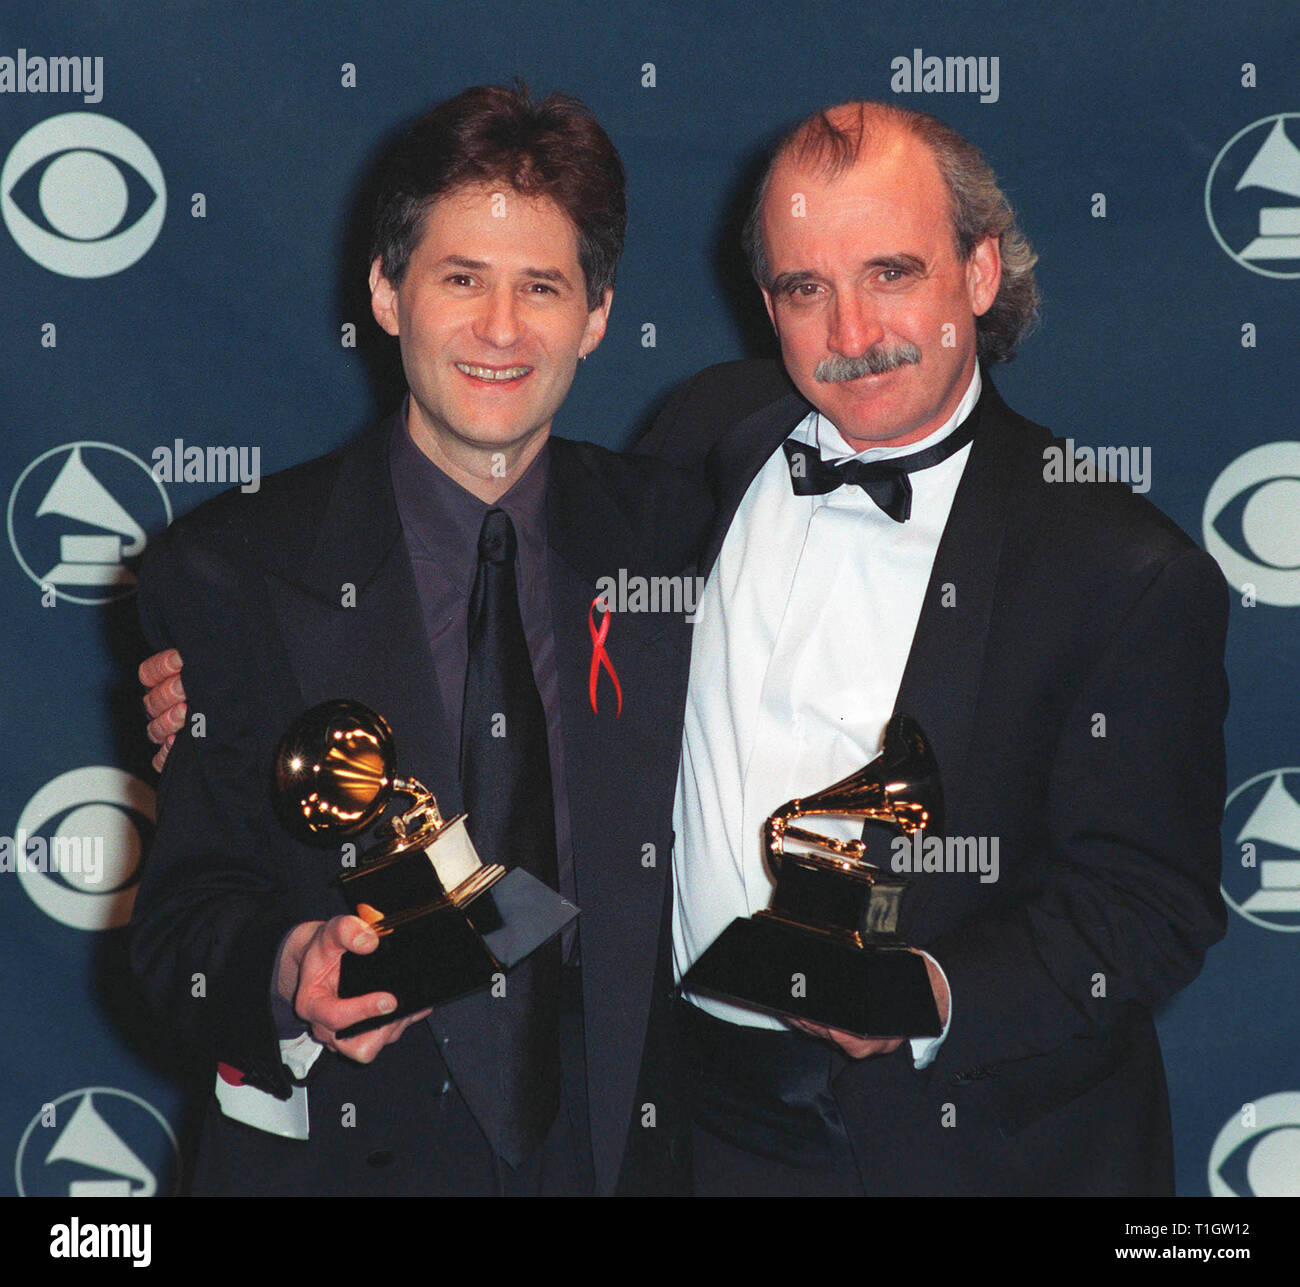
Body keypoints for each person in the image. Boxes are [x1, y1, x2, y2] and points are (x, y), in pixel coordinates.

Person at [144, 99, 1230, 1197]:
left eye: (892, 273)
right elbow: (191, 911)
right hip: (686, 1140)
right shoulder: (705, 453)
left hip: (967, 1150)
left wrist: (933, 993)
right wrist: (232, 766)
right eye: (807, 288)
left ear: (981, 273)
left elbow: (1151, 901)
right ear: (386, 292)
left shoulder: (1122, 567)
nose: (853, 333)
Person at [130, 84, 706, 1196]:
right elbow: (176, 943)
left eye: (541, 287)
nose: (500, 330)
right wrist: (287, 969)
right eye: (460, 280)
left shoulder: (689, 543)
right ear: (387, 293)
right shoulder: (229, 571)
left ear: (596, 316)